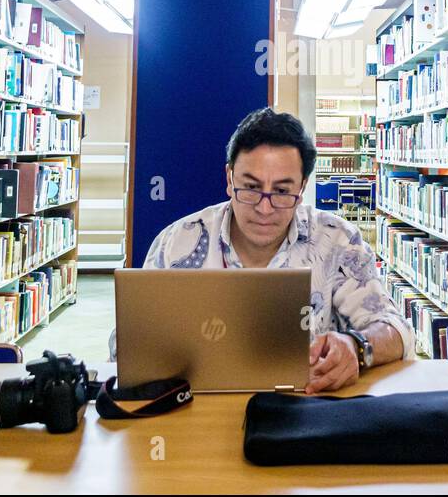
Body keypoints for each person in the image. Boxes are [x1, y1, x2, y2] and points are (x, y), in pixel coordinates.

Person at [140, 107, 414, 393]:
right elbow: (129, 342)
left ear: (303, 186)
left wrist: (358, 347)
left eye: (282, 192)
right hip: (194, 408)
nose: (264, 208)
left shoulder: (338, 241)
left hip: (305, 412)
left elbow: (397, 330)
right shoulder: (176, 242)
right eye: (250, 187)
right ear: (229, 179)